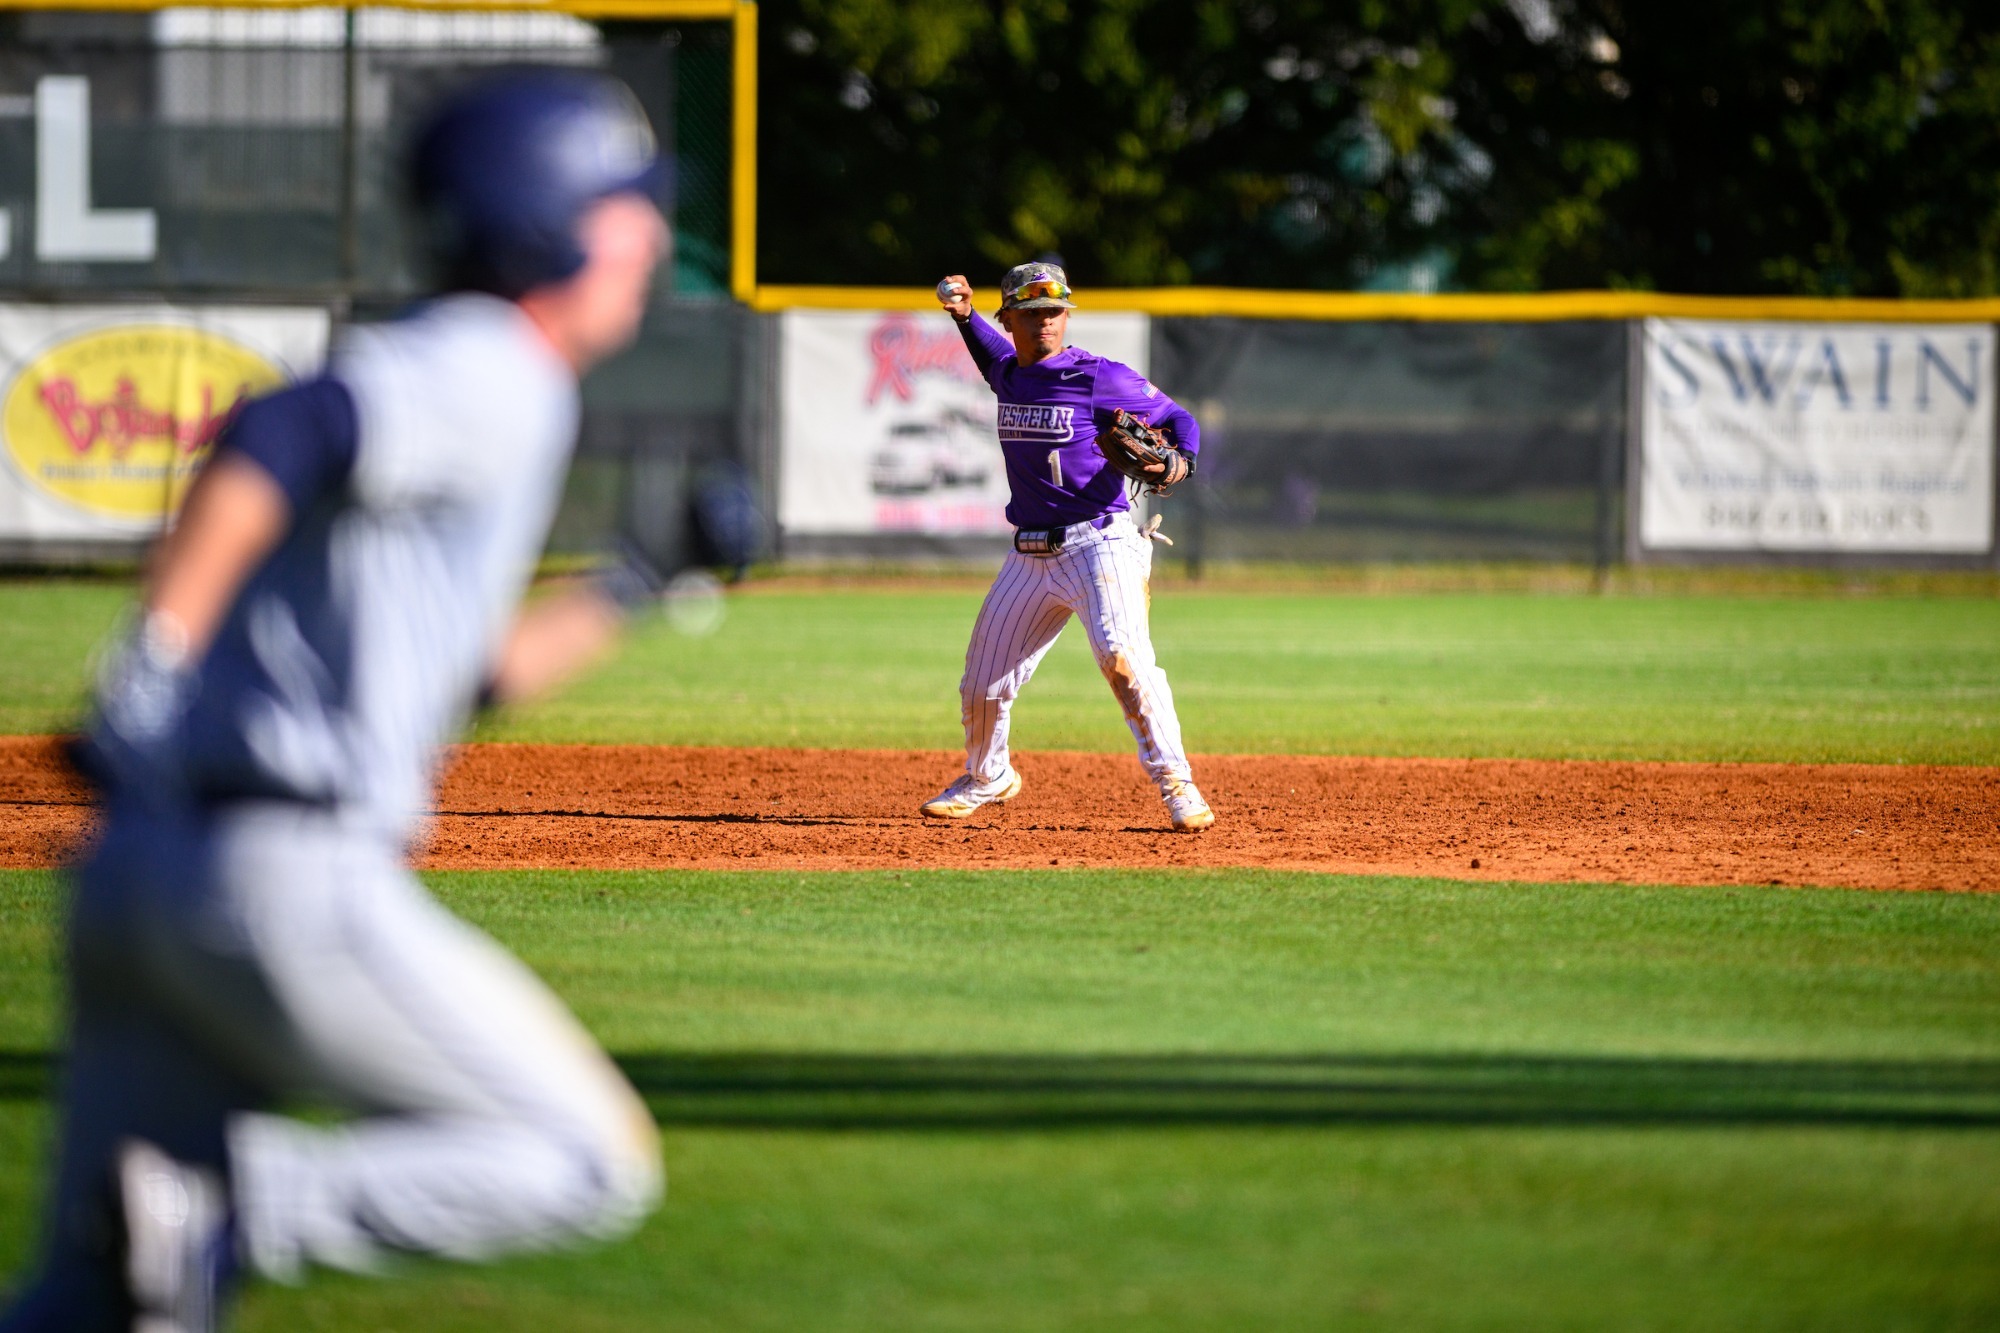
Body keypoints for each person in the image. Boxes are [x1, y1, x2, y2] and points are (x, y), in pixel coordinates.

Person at [1, 70, 673, 1333]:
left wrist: (640, 584)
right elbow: (284, 431)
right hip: (279, 877)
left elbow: (467, 678)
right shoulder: (494, 361)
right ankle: (227, 1207)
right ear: (553, 224)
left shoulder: (488, 378)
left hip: (144, 866)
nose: (646, 237)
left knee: (93, 1303)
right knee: (583, 1159)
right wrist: (153, 651)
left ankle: (177, 1222)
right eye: (627, 209)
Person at [921, 263, 1215, 832]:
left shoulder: (1098, 376)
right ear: (1009, 320)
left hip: (1099, 542)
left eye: (1054, 312)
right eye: (1030, 314)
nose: (1044, 323)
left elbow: (1179, 418)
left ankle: (1177, 781)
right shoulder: (1009, 372)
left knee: (1122, 658)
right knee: (982, 685)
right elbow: (991, 359)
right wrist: (964, 316)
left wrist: (1180, 462)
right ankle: (988, 776)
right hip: (1029, 556)